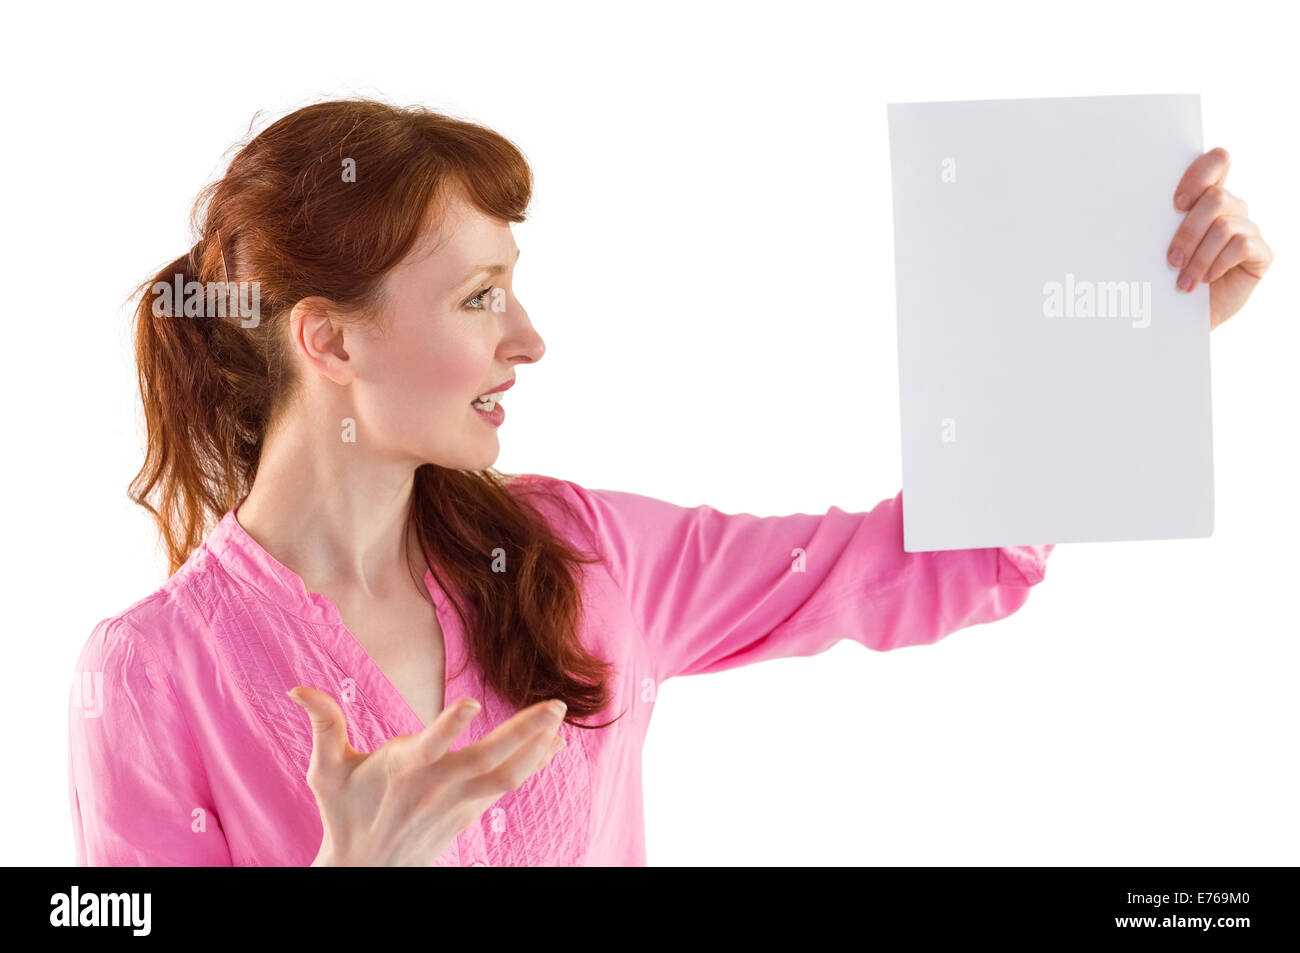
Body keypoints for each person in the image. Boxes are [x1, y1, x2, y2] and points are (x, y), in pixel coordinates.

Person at [67, 99, 1272, 867]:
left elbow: (912, 557)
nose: (528, 337)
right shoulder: (151, 674)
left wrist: (1141, 336)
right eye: (478, 295)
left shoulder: (582, 554)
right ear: (329, 341)